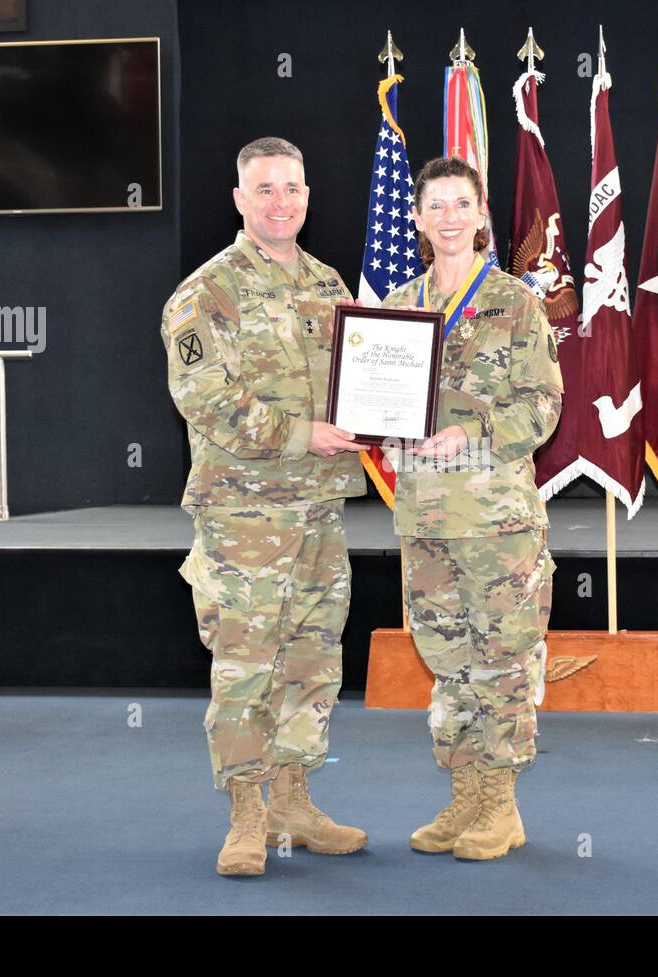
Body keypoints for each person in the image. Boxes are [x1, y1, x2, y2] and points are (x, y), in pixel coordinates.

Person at [160, 137, 369, 877]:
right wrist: (297, 433)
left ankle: (293, 797)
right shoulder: (204, 293)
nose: (282, 202)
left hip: (319, 510)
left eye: (293, 188)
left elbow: (360, 381)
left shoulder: (329, 282)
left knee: (313, 658)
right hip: (244, 516)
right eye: (266, 189)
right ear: (240, 198)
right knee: (246, 663)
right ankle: (245, 812)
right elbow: (205, 399)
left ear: (307, 195)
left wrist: (376, 417)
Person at [381, 157, 563, 861]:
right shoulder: (395, 309)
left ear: (482, 214)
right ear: (418, 219)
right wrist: (381, 428)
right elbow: (375, 405)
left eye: (462, 204)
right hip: (425, 519)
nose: (450, 218)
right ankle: (463, 797)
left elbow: (545, 404)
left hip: (496, 523)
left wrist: (477, 432)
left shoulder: (516, 303)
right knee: (448, 659)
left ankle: (501, 804)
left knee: (504, 660)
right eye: (437, 206)